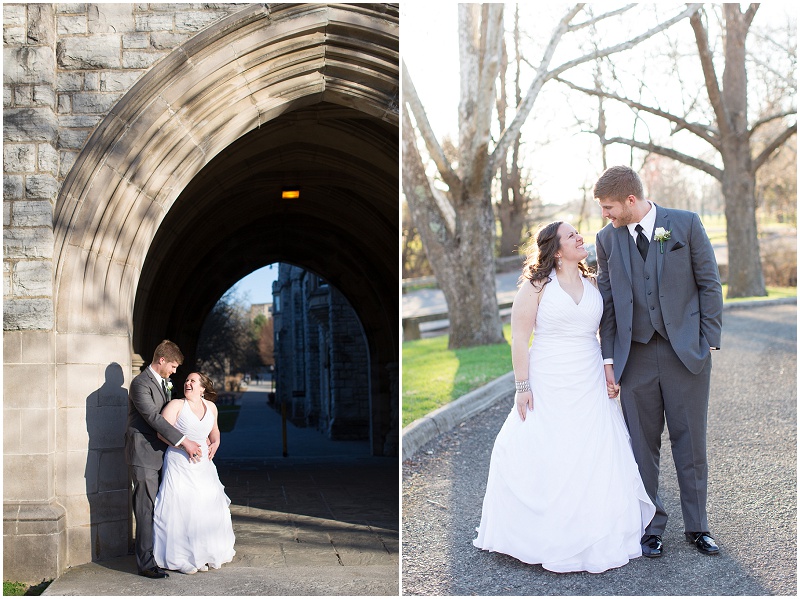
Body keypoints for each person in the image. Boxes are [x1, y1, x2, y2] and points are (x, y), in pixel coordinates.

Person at [473, 221, 655, 574]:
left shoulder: (592, 283)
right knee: (549, 447)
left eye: (578, 234)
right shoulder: (536, 286)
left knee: (595, 449)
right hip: (548, 377)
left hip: (588, 376)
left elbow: (604, 331)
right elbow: (520, 337)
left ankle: (596, 526)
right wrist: (522, 387)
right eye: (572, 236)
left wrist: (608, 368)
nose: (580, 238)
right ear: (556, 250)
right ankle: (546, 533)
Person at [594, 165, 723, 558]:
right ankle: (651, 527)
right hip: (635, 358)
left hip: (685, 353)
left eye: (610, 206)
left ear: (631, 200)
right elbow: (609, 304)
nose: (606, 214)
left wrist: (708, 340)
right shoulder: (606, 240)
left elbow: (709, 282)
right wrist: (610, 361)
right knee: (641, 448)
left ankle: (697, 528)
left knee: (690, 444)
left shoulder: (684, 224)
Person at [125, 340, 204, 579]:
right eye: (173, 366)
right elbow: (153, 418)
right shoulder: (139, 384)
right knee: (146, 506)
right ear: (161, 360)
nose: (175, 372)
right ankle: (147, 564)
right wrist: (185, 441)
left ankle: (161, 554)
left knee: (162, 506)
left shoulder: (164, 383)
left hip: (164, 454)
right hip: (144, 453)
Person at [153, 372, 236, 573]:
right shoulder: (176, 406)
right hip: (179, 463)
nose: (187, 383)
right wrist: (184, 445)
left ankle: (205, 553)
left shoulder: (211, 407)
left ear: (202, 388)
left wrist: (217, 441)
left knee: (207, 504)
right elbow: (161, 432)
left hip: (204, 465)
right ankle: (182, 557)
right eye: (187, 380)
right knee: (183, 507)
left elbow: (214, 430)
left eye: (193, 381)